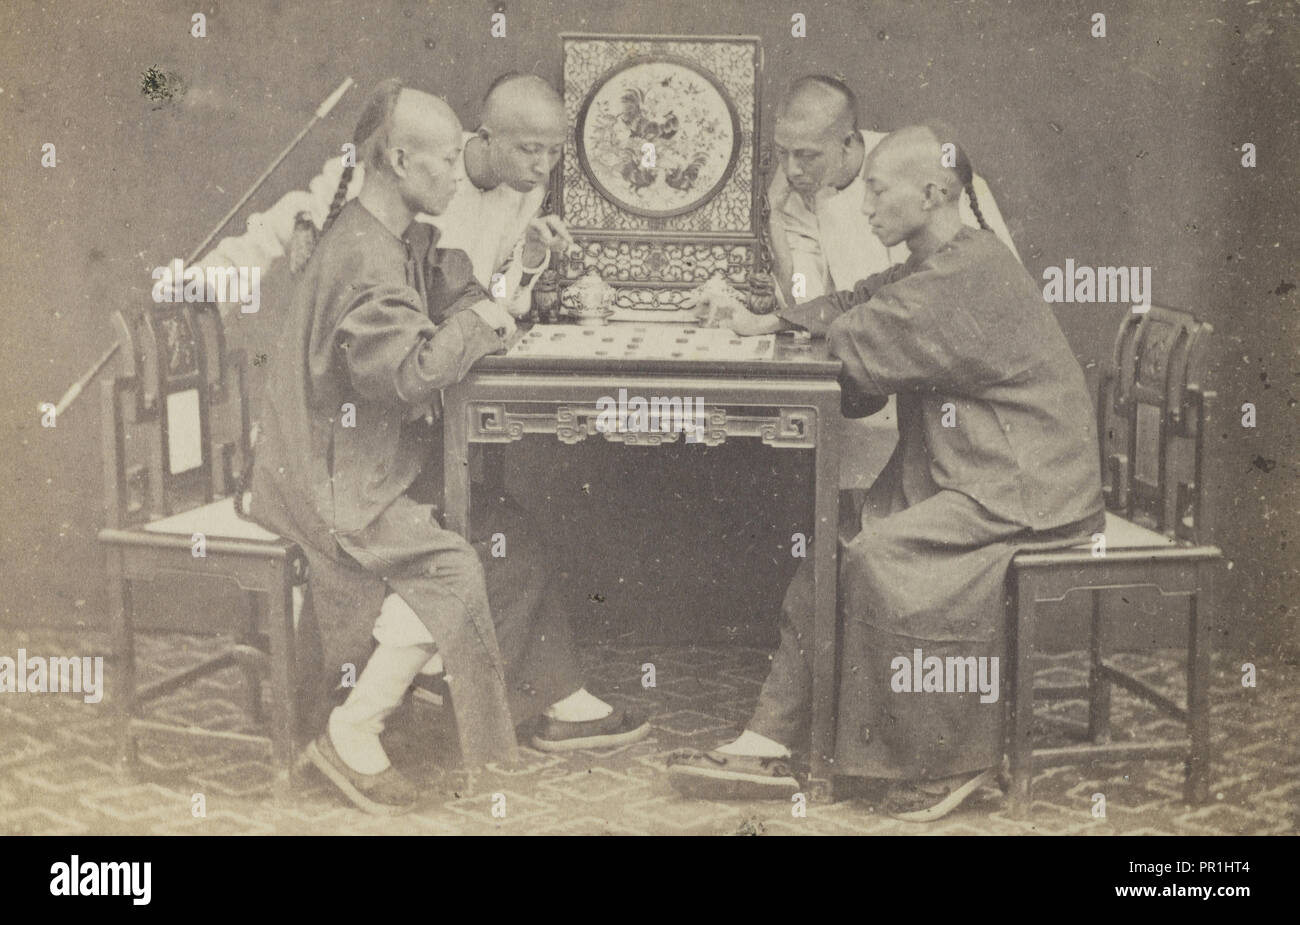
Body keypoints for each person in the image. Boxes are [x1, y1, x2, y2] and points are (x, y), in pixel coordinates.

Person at [668, 126, 1104, 822]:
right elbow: (858, 300)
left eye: (877, 188)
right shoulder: (942, 258)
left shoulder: (969, 273)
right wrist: (767, 320)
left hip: (1023, 484)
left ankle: (946, 762)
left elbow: (858, 338)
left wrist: (776, 331)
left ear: (932, 193)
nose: (863, 203)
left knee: (880, 554)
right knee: (832, 537)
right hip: (972, 464)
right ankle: (768, 737)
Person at [249, 80, 646, 816]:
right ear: (400, 160)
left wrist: (514, 277)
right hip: (328, 477)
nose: (457, 173)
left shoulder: (399, 237)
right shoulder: (362, 258)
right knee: (454, 564)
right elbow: (409, 372)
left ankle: (542, 699)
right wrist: (490, 316)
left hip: (358, 461)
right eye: (441, 162)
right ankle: (351, 730)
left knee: (500, 528)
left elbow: (456, 292)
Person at [747, 76, 1021, 490]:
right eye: (782, 154)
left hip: (949, 388)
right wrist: (774, 223)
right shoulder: (801, 190)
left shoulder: (909, 169)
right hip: (870, 375)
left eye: (806, 156)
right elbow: (811, 299)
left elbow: (967, 294)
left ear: (848, 143)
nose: (791, 171)